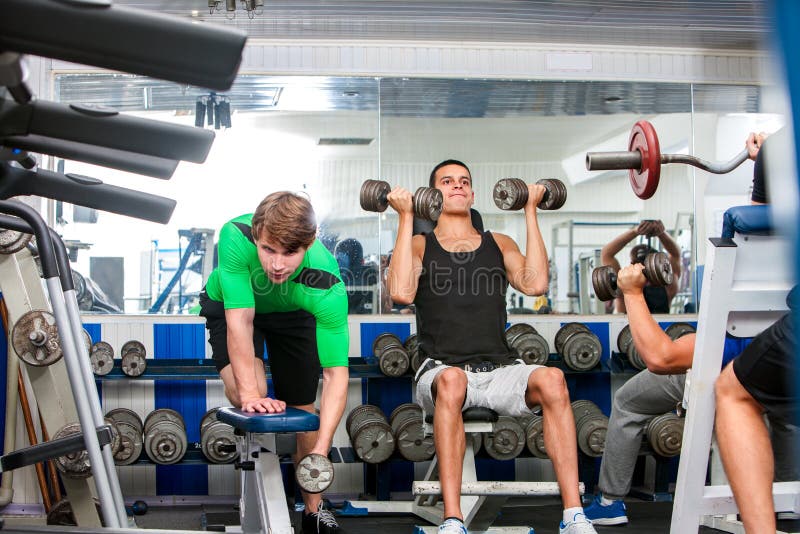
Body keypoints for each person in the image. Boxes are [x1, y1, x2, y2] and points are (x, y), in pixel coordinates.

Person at [584, 132, 799, 528]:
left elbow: (660, 356)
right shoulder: (788, 241)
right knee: (781, 398)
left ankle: (610, 501)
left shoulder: (720, 329)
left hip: (734, 355)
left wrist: (631, 291)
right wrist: (766, 163)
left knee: (628, 400)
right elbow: (764, 221)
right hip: (786, 354)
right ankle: (785, 500)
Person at [386, 159, 597, 534]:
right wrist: (405, 217)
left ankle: (573, 515)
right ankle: (453, 520)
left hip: (500, 370)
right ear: (431, 195)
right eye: (447, 181)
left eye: (464, 181)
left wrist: (530, 210)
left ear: (472, 194)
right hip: (441, 370)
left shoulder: (499, 243)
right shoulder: (419, 245)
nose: (457, 186)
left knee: (553, 380)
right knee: (452, 380)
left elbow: (535, 284)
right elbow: (401, 292)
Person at [198, 191, 349, 534]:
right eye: (268, 250)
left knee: (305, 413)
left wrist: (322, 449)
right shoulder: (236, 236)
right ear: (256, 236)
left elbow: (335, 374)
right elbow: (240, 321)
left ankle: (314, 510)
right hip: (232, 305)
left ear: (309, 243)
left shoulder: (327, 284)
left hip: (294, 313)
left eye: (290, 252)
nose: (277, 265)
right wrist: (252, 396)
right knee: (247, 394)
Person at [600, 219, 682, 313]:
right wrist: (661, 233)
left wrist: (635, 232)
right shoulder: (669, 289)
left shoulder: (623, 289)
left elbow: (606, 254)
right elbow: (676, 255)